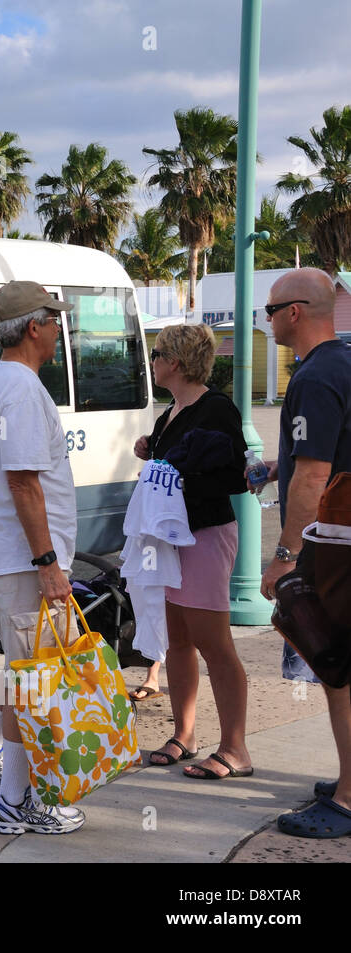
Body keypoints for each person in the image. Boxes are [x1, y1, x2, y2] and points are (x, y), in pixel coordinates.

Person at [0, 280, 83, 834]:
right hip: (25, 560)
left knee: (20, 668)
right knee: (35, 680)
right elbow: (25, 482)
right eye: (55, 321)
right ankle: (18, 801)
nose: (59, 330)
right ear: (34, 327)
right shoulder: (23, 390)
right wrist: (49, 562)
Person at [255, 269, 351, 836]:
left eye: (269, 311)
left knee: (336, 665)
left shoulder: (315, 376)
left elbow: (314, 477)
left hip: (334, 545)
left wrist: (285, 554)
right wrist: (277, 464)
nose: (265, 321)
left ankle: (347, 797)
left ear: (295, 312)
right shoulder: (343, 363)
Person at [133, 325, 251, 779]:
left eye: (157, 353)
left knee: (215, 644)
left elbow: (234, 475)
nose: (153, 360)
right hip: (171, 539)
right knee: (178, 640)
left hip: (203, 536)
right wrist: (152, 453)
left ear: (175, 363)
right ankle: (185, 734)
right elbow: (173, 466)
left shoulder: (216, 409)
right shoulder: (171, 412)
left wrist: (177, 467)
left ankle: (235, 748)